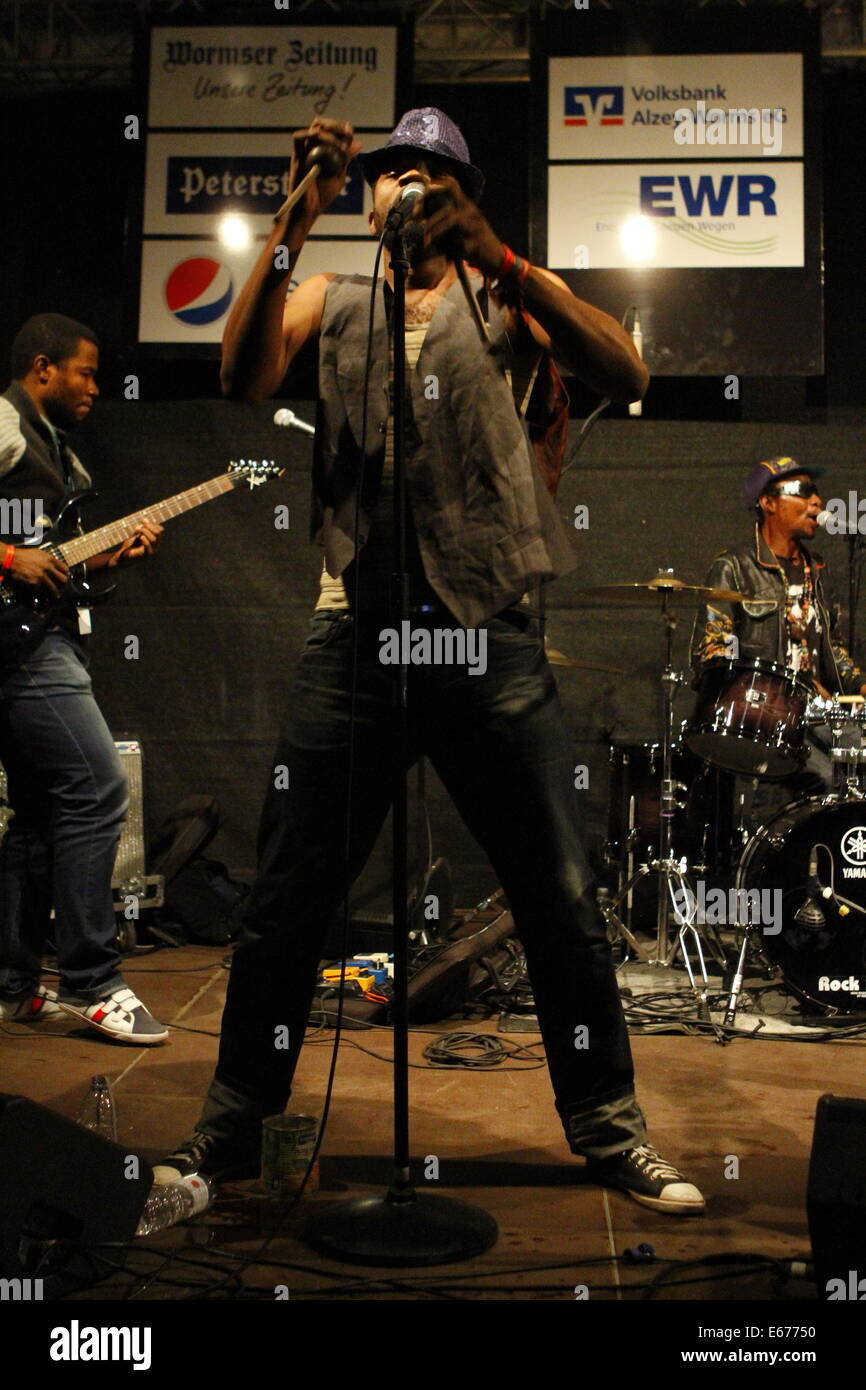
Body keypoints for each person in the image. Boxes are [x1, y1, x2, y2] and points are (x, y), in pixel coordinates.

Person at [158, 109, 705, 1214]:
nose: (401, 186)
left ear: (458, 193)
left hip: (485, 632)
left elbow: (626, 368)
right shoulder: (334, 288)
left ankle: (607, 1129)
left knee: (557, 894)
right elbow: (242, 372)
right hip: (353, 628)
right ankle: (228, 1129)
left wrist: (498, 252)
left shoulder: (501, 288)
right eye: (387, 172)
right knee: (288, 899)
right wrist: (292, 220)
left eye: (426, 173)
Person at [0, 313, 168, 1043]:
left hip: (39, 635)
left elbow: (58, 560)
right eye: (86, 372)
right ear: (43, 368)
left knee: (38, 817)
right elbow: (22, 558)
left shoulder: (60, 457)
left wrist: (110, 559)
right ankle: (92, 980)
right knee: (100, 789)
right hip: (25, 649)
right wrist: (7, 561)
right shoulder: (3, 425)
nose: (97, 387)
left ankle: (12, 985)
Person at [691, 457, 866, 800]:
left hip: (820, 714)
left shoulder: (817, 570)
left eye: (815, 492)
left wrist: (860, 683)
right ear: (768, 503)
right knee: (832, 780)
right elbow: (712, 654)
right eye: (803, 492)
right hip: (767, 720)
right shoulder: (735, 568)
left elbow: (835, 651)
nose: (817, 502)